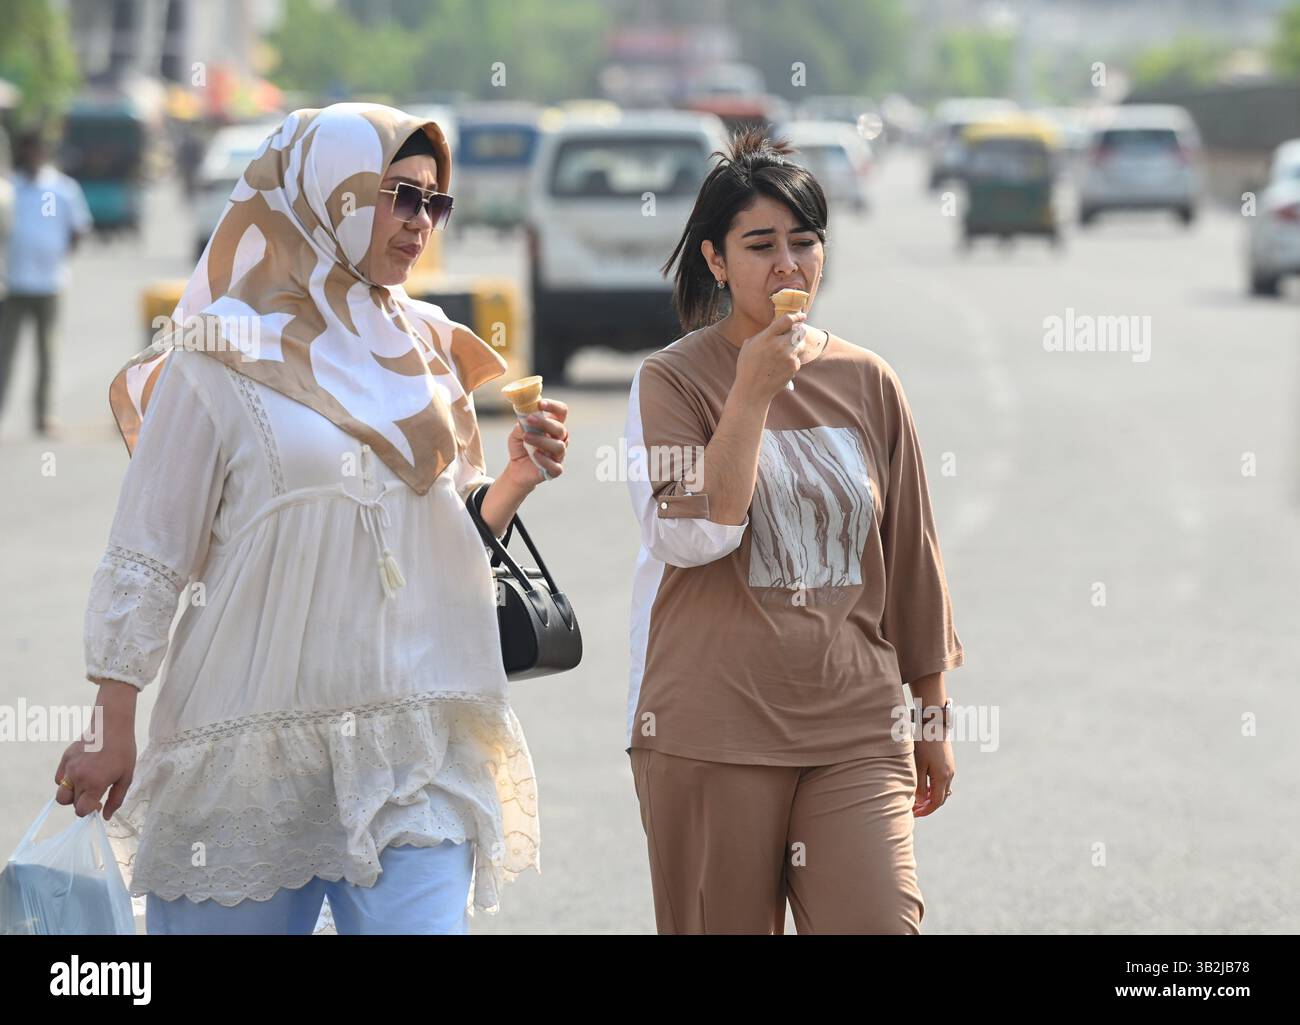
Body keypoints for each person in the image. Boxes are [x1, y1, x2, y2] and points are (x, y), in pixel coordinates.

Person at [54, 103, 570, 934]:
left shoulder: (430, 350)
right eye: (401, 196)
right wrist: (113, 725)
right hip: (248, 747)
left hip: (412, 742)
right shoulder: (218, 353)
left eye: (436, 204)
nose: (420, 223)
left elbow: (449, 530)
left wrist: (512, 479)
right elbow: (147, 550)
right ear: (329, 192)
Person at [623, 128, 964, 934]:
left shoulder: (867, 379)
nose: (788, 265)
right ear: (715, 260)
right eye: (761, 244)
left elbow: (911, 558)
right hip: (710, 730)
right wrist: (749, 395)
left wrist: (932, 716)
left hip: (855, 725)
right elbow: (692, 533)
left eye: (806, 243)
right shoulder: (670, 379)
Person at [0, 128, 92, 438]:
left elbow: (78, 228)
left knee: (47, 352)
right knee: (5, 353)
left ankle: (44, 415)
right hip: (13, 282)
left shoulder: (63, 189)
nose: (33, 156)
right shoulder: (9, 188)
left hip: (51, 282)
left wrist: (59, 255)